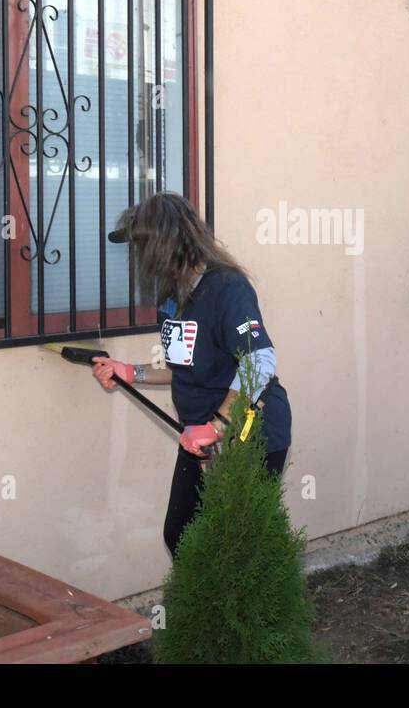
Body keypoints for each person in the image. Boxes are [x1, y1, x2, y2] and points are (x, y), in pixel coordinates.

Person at [89, 192, 293, 557]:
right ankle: (201, 614)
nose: (139, 258)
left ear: (167, 244)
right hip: (199, 434)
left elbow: (259, 361)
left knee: (234, 546)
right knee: (182, 534)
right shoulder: (175, 295)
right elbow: (181, 364)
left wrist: (217, 424)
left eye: (143, 246)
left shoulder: (227, 288)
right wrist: (129, 372)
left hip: (248, 430)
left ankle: (243, 615)